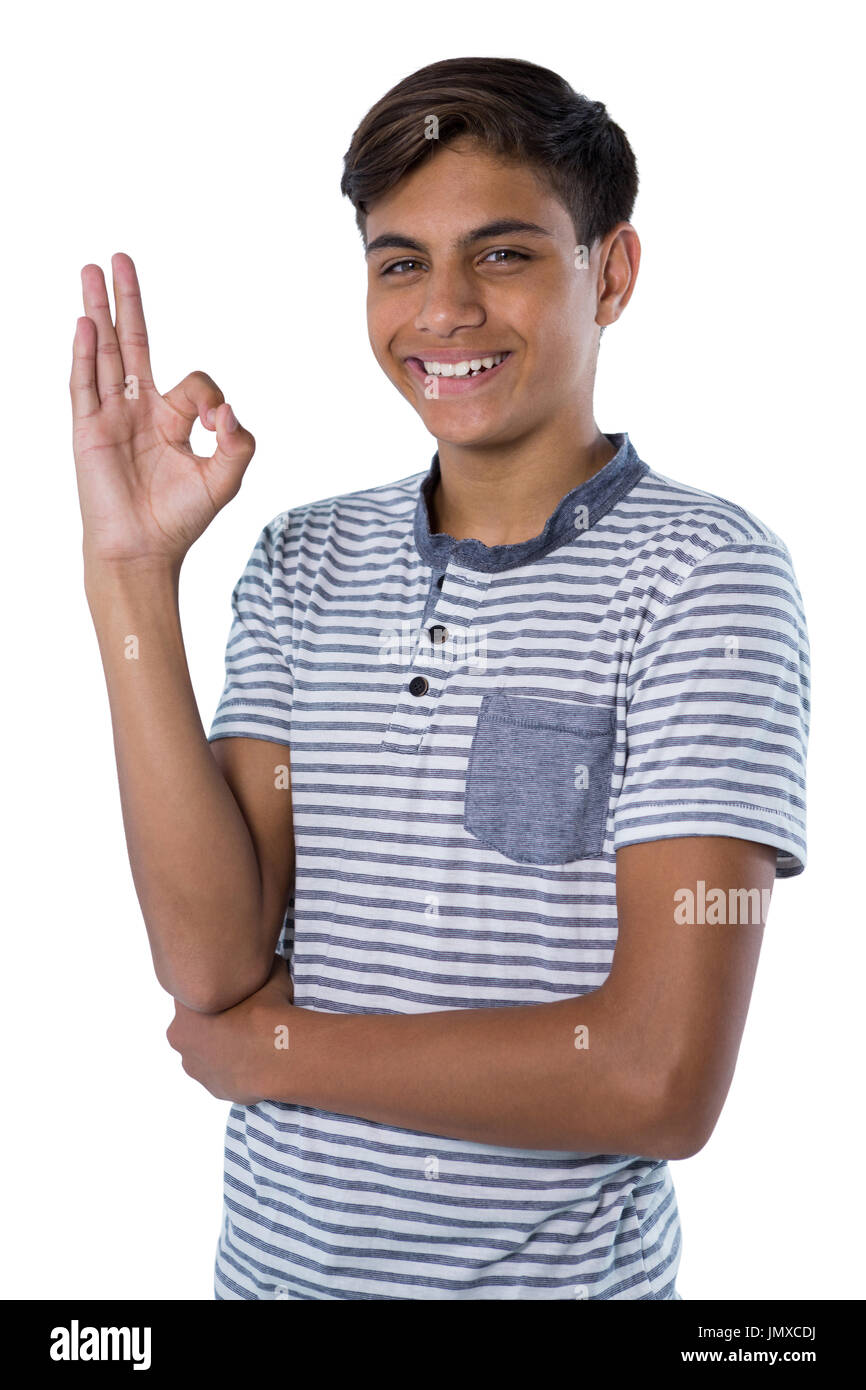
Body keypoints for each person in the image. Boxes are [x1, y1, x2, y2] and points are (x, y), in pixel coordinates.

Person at [71, 56, 810, 1301]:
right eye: (399, 261)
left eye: (505, 253)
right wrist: (130, 576)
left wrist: (278, 1050)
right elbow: (209, 966)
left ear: (610, 273)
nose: (444, 308)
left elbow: (655, 1080)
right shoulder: (305, 559)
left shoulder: (704, 579)